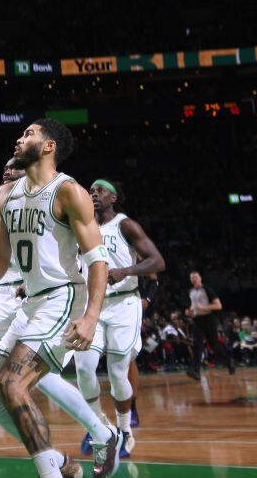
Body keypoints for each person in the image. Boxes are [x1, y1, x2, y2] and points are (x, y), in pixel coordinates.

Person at [0, 158, 121, 478]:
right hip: (3, 296)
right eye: (5, 167)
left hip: (40, 296)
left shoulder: (54, 199)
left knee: (38, 379)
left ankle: (98, 432)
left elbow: (72, 252)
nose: (8, 170)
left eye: (16, 167)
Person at [74, 180, 165, 460]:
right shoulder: (82, 227)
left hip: (124, 304)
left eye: (100, 190)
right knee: (84, 368)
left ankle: (125, 430)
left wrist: (125, 271)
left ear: (113, 197)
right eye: (91, 191)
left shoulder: (126, 225)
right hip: (92, 305)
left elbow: (158, 261)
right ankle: (97, 426)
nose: (94, 194)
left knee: (117, 373)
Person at [185, 270, 235, 380]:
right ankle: (195, 371)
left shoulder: (207, 289)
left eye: (195, 277)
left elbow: (218, 305)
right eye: (192, 277)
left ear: (200, 278)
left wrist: (204, 308)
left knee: (214, 344)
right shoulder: (191, 291)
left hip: (209, 319)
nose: (194, 279)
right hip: (197, 320)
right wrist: (190, 311)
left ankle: (228, 361)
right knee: (197, 345)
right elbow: (194, 305)